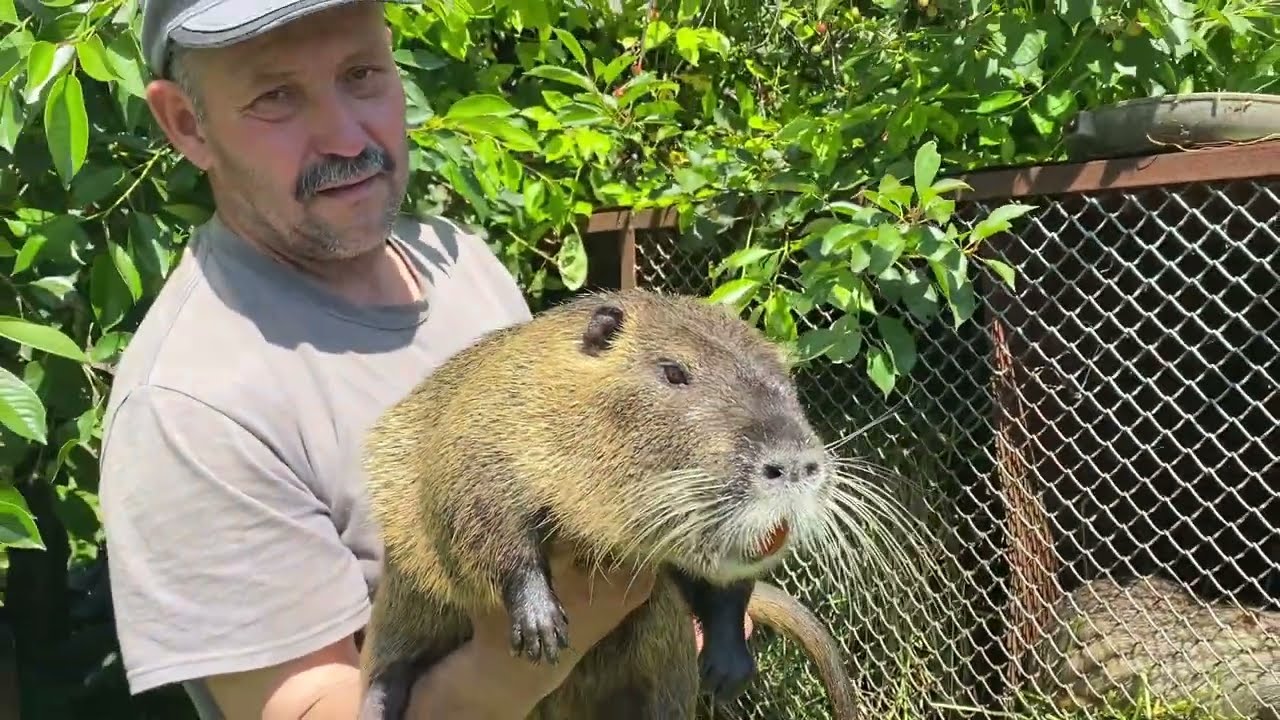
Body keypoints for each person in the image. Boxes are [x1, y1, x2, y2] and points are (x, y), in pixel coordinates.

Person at [98, 1, 672, 718]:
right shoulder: (193, 403)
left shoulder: (463, 262)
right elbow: (315, 707)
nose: (345, 137)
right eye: (276, 97)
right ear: (187, 124)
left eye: (362, 73)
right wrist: (535, 648)